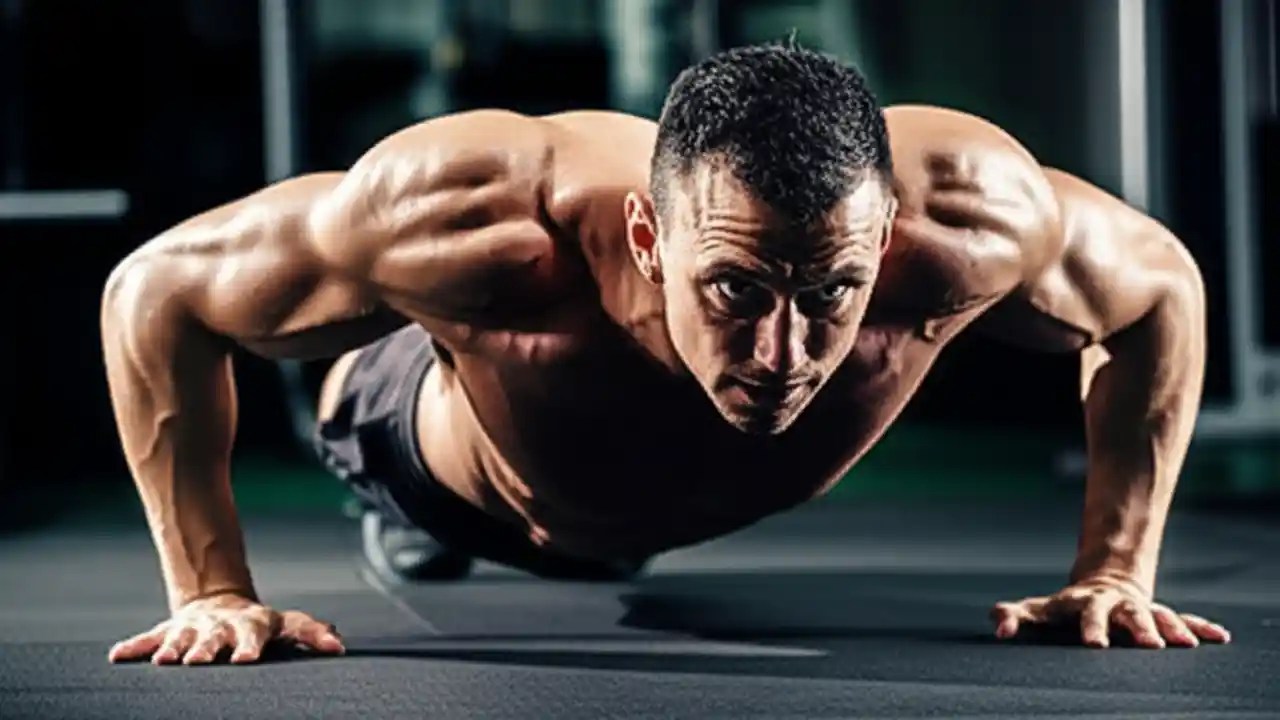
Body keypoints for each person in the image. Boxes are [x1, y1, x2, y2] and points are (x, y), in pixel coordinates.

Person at [101, 42, 1230, 667]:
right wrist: (212, 592)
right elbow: (156, 291)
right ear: (649, 236)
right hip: (454, 476)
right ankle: (407, 463)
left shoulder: (971, 223)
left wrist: (1113, 572)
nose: (785, 353)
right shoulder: (487, 220)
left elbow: (1157, 287)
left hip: (654, 497)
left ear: (882, 237)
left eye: (831, 291)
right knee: (399, 359)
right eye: (735, 289)